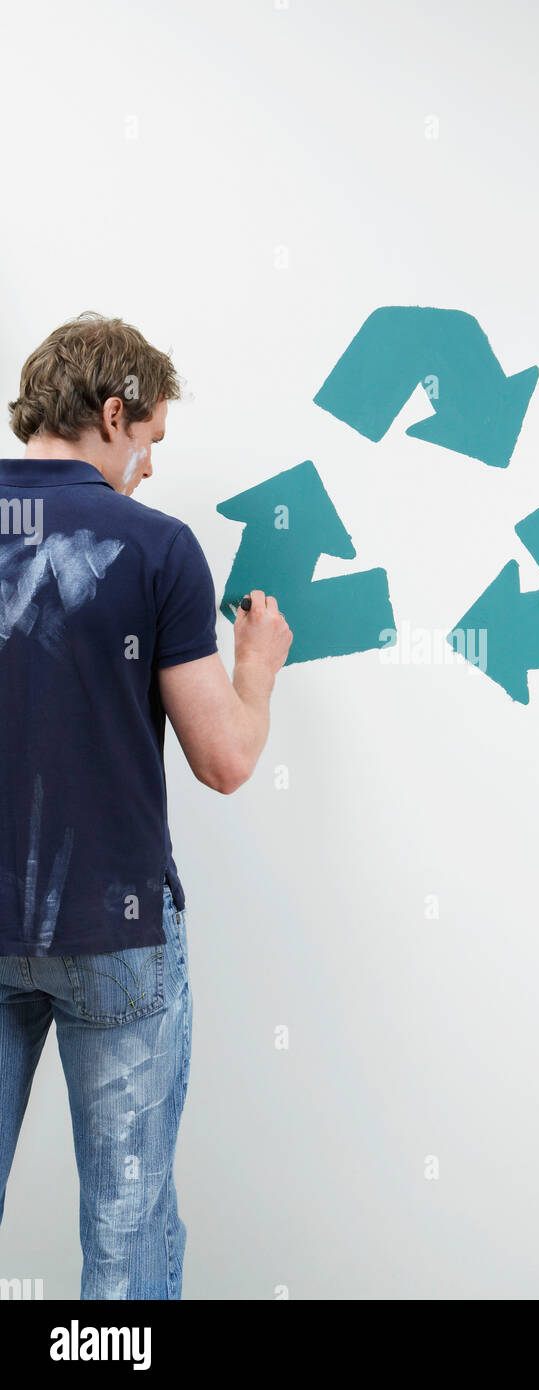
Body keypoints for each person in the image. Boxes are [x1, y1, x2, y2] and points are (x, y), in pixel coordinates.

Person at [0, 311, 291, 1298]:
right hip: (114, 928)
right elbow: (224, 758)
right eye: (151, 442)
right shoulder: (157, 548)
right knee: (125, 1230)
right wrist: (256, 668)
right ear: (113, 412)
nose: (152, 469)